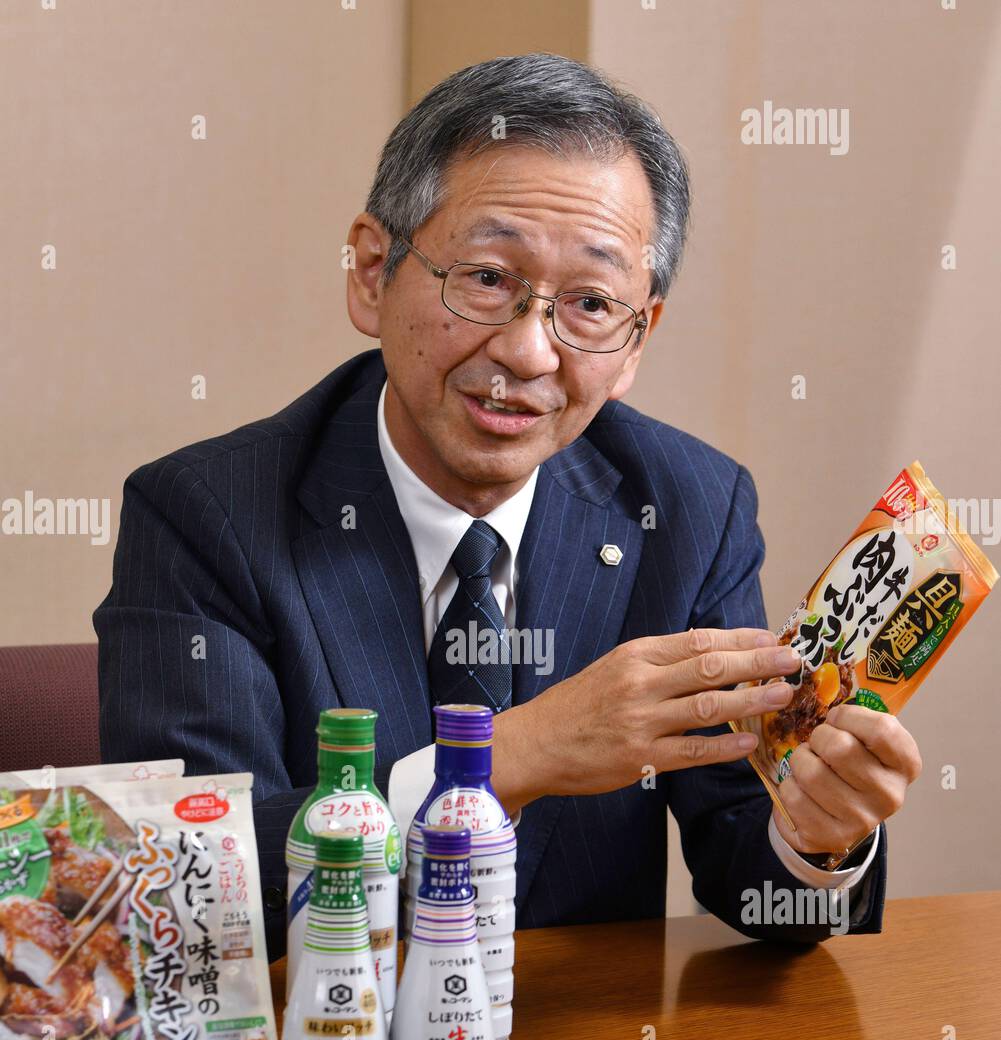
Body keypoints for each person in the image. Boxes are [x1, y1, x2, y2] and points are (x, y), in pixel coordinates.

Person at [94, 53, 921, 962]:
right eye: (487, 279)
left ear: (637, 338)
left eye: (590, 304)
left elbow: (752, 877)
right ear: (372, 273)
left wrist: (817, 839)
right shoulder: (205, 515)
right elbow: (183, 887)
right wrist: (508, 758)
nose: (530, 352)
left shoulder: (688, 506)